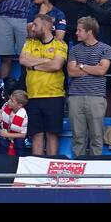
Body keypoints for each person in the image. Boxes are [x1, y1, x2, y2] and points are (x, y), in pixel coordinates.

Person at [18, 13, 68, 156]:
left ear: (46, 26)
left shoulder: (60, 44)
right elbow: (23, 60)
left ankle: (51, 166)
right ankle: (37, 168)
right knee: (36, 135)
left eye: (36, 25)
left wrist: (33, 64)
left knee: (52, 135)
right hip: (33, 96)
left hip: (54, 96)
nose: (32, 28)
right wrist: (46, 61)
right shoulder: (30, 43)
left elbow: (56, 65)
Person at [66, 16, 111, 157]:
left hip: (96, 97)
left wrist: (81, 66)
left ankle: (95, 166)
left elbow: (102, 70)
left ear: (90, 31)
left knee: (96, 136)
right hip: (75, 97)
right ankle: (78, 166)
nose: (76, 33)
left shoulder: (105, 48)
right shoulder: (74, 49)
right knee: (78, 137)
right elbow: (71, 72)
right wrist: (92, 68)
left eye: (80, 30)